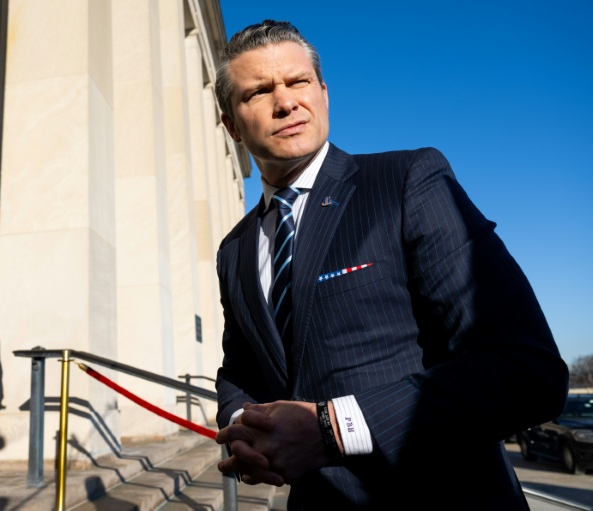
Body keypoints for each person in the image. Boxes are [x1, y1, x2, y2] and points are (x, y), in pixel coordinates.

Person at [212, 20, 569, 510]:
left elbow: (525, 369)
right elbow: (241, 366)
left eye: (298, 82)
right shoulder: (234, 248)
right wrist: (239, 427)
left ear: (323, 93)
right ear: (231, 123)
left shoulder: (407, 182)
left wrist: (331, 430)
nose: (286, 101)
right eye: (259, 91)